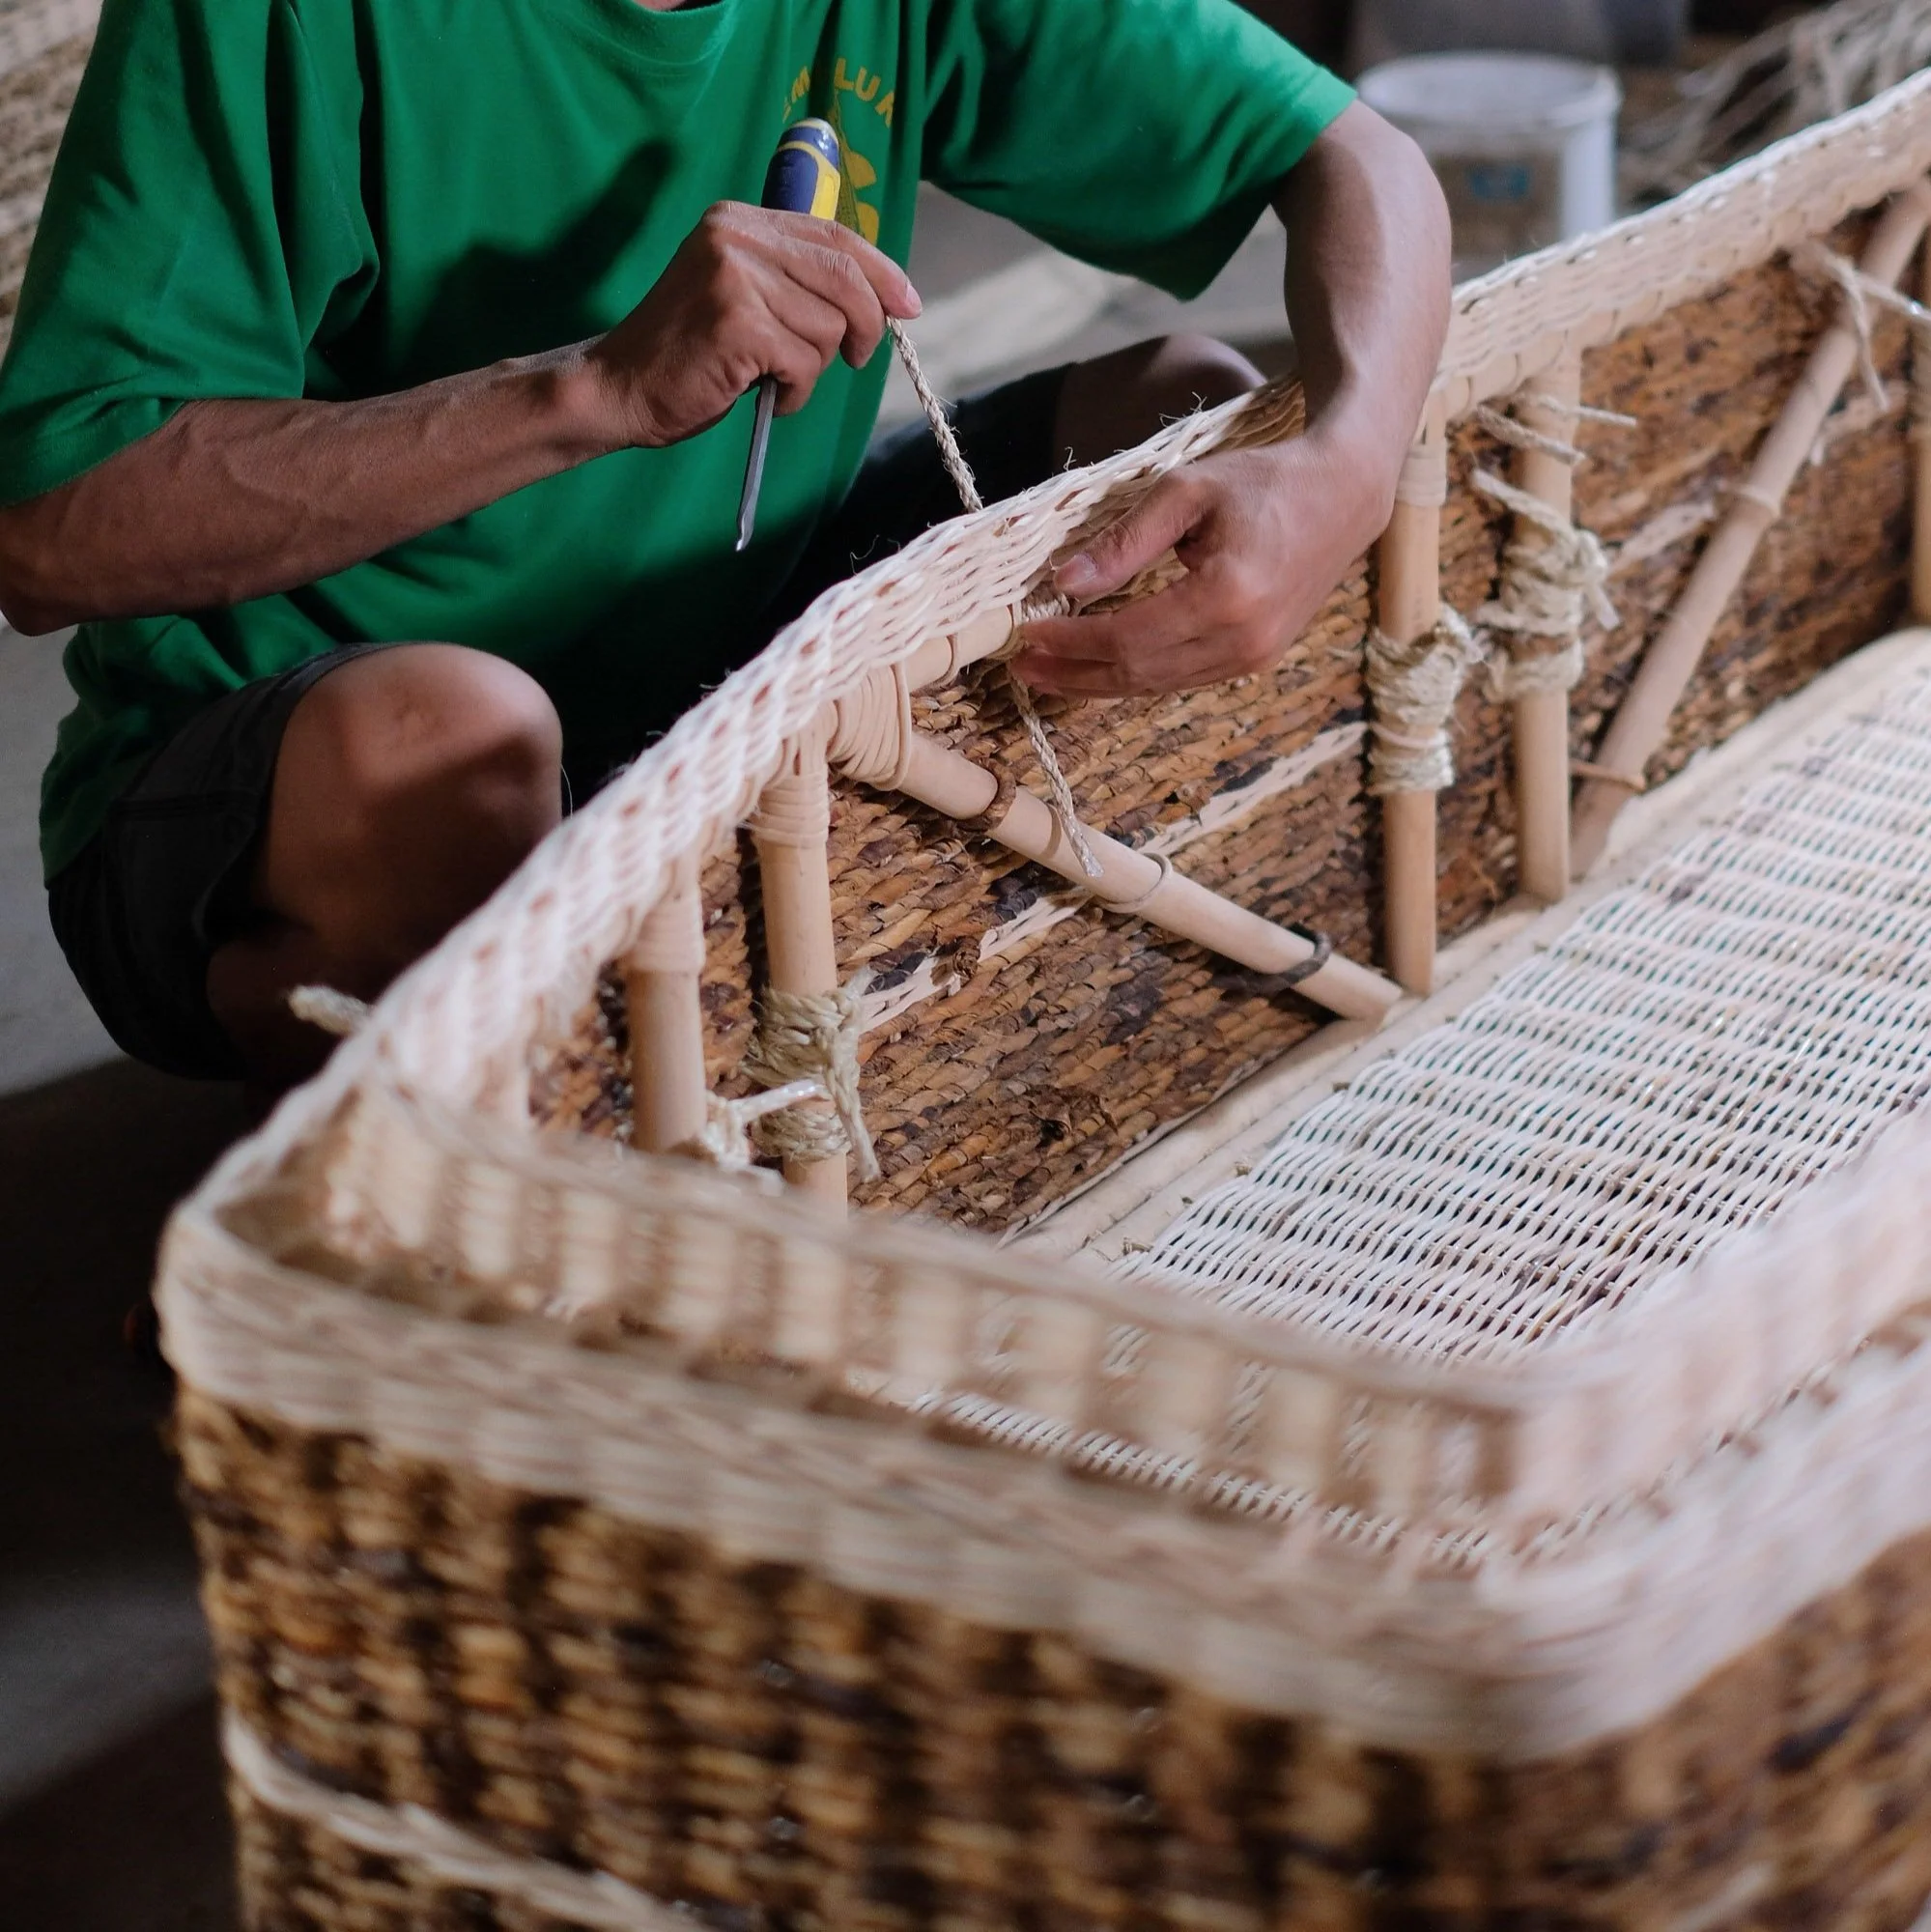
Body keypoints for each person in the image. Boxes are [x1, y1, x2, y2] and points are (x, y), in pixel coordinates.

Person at [0, 0, 1450, 1095]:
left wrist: (1349, 467)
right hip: (294, 768)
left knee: (1186, 424)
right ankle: (395, 1147)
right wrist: (588, 393)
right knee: (459, 738)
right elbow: (50, 529)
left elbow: (1349, 156)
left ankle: (878, 991)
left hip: (729, 653)